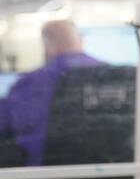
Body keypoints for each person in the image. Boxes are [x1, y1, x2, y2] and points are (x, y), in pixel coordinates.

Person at [0, 20, 103, 164]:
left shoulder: (31, 83)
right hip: (111, 175)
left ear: (46, 46)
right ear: (80, 40)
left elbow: (5, 124)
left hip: (45, 177)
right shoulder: (112, 76)